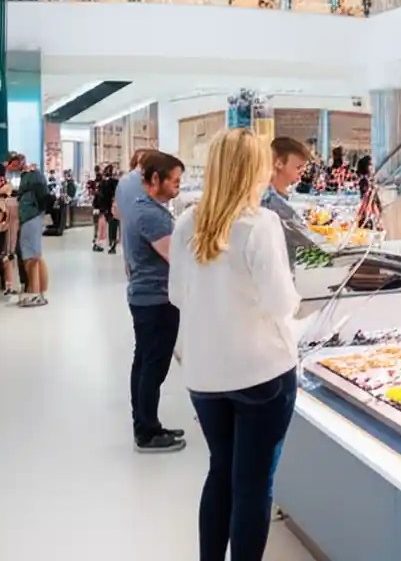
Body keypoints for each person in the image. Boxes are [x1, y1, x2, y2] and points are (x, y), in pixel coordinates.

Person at [168, 129, 301, 561]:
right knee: (253, 484)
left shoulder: (188, 221)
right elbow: (282, 302)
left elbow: (176, 295)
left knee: (220, 472)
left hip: (205, 375)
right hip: (261, 372)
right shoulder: (260, 224)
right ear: (255, 168)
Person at [121, 151, 186, 453]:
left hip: (145, 297)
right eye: (173, 181)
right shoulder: (151, 214)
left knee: (144, 362)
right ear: (155, 179)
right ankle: (146, 431)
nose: (177, 187)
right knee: (153, 367)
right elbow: (177, 257)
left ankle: (147, 423)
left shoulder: (142, 207)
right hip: (156, 299)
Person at [261, 137, 322, 271]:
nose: (302, 172)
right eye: (298, 167)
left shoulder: (278, 197)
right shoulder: (273, 203)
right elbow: (312, 242)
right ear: (279, 163)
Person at [10, 154, 51, 308]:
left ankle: (35, 293)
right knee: (33, 256)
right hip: (30, 217)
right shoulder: (28, 177)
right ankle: (37, 291)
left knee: (32, 257)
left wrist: (38, 211)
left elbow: (42, 195)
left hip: (32, 217)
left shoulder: (32, 176)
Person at [93, 165, 120, 253]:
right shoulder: (115, 182)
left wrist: (97, 206)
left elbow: (99, 196)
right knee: (111, 226)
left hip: (104, 207)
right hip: (112, 206)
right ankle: (111, 245)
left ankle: (101, 244)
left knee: (102, 226)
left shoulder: (102, 183)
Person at [355, 155, 382, 229]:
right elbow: (366, 198)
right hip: (369, 213)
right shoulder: (364, 181)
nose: (372, 166)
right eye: (370, 164)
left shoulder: (369, 180)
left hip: (372, 212)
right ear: (365, 167)